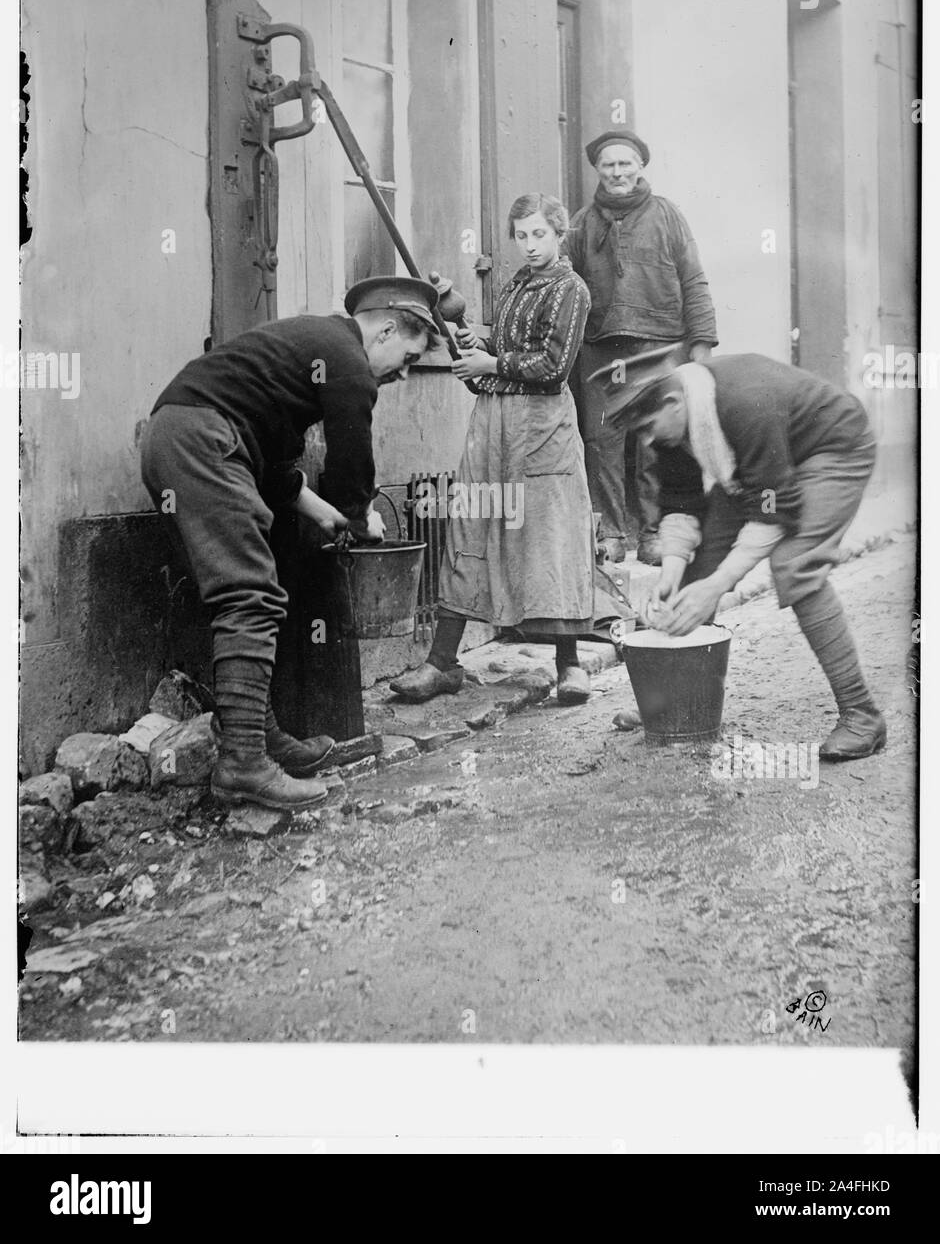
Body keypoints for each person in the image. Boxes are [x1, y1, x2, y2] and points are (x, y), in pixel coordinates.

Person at [140, 277, 442, 811]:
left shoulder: (314, 346)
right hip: (204, 442)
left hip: (185, 439)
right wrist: (357, 513)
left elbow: (274, 464)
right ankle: (242, 766)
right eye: (408, 356)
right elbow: (352, 454)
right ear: (387, 329)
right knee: (248, 597)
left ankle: (260, 739)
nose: (404, 371)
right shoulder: (347, 358)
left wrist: (322, 512)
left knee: (253, 594)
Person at [594, 344, 885, 761]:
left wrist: (718, 586)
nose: (647, 439)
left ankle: (862, 715)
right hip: (765, 467)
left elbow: (772, 510)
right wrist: (673, 573)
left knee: (794, 564)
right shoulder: (675, 417)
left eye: (647, 427)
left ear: (674, 403)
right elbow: (681, 502)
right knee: (699, 562)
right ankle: (672, 701)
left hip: (830, 449)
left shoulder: (746, 404)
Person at [390, 193, 596, 706]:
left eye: (539, 235)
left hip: (543, 427)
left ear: (558, 234)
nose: (529, 245)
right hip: (493, 424)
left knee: (548, 537)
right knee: (471, 524)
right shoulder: (513, 288)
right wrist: (472, 353)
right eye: (521, 236)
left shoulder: (572, 290)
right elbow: (491, 369)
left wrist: (491, 365)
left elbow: (552, 368)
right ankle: (441, 663)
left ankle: (569, 665)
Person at [566, 128, 718, 565]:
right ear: (597, 170)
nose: (617, 173)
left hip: (660, 344)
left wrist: (702, 343)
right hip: (601, 346)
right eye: (609, 165)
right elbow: (566, 285)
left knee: (656, 440)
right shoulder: (581, 223)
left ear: (640, 167)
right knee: (601, 438)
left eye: (625, 164)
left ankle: (653, 534)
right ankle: (612, 534)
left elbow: (694, 278)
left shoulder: (668, 215)